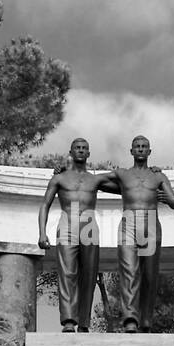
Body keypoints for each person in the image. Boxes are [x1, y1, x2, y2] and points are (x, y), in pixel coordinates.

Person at [37, 138, 117, 331]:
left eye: (84, 149)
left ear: (88, 153)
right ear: (71, 152)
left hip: (89, 224)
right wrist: (42, 233)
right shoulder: (59, 178)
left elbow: (128, 188)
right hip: (67, 221)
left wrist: (149, 173)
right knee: (67, 273)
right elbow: (45, 205)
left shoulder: (95, 179)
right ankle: (69, 321)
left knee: (89, 276)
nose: (81, 151)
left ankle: (84, 323)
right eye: (77, 148)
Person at [109, 135, 174, 332]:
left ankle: (146, 320)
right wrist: (68, 171)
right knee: (129, 271)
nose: (140, 149)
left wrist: (166, 198)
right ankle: (130, 319)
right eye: (137, 146)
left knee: (149, 275)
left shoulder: (158, 176)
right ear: (131, 151)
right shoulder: (122, 174)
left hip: (150, 223)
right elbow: (94, 181)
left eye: (144, 146)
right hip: (128, 222)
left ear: (149, 151)